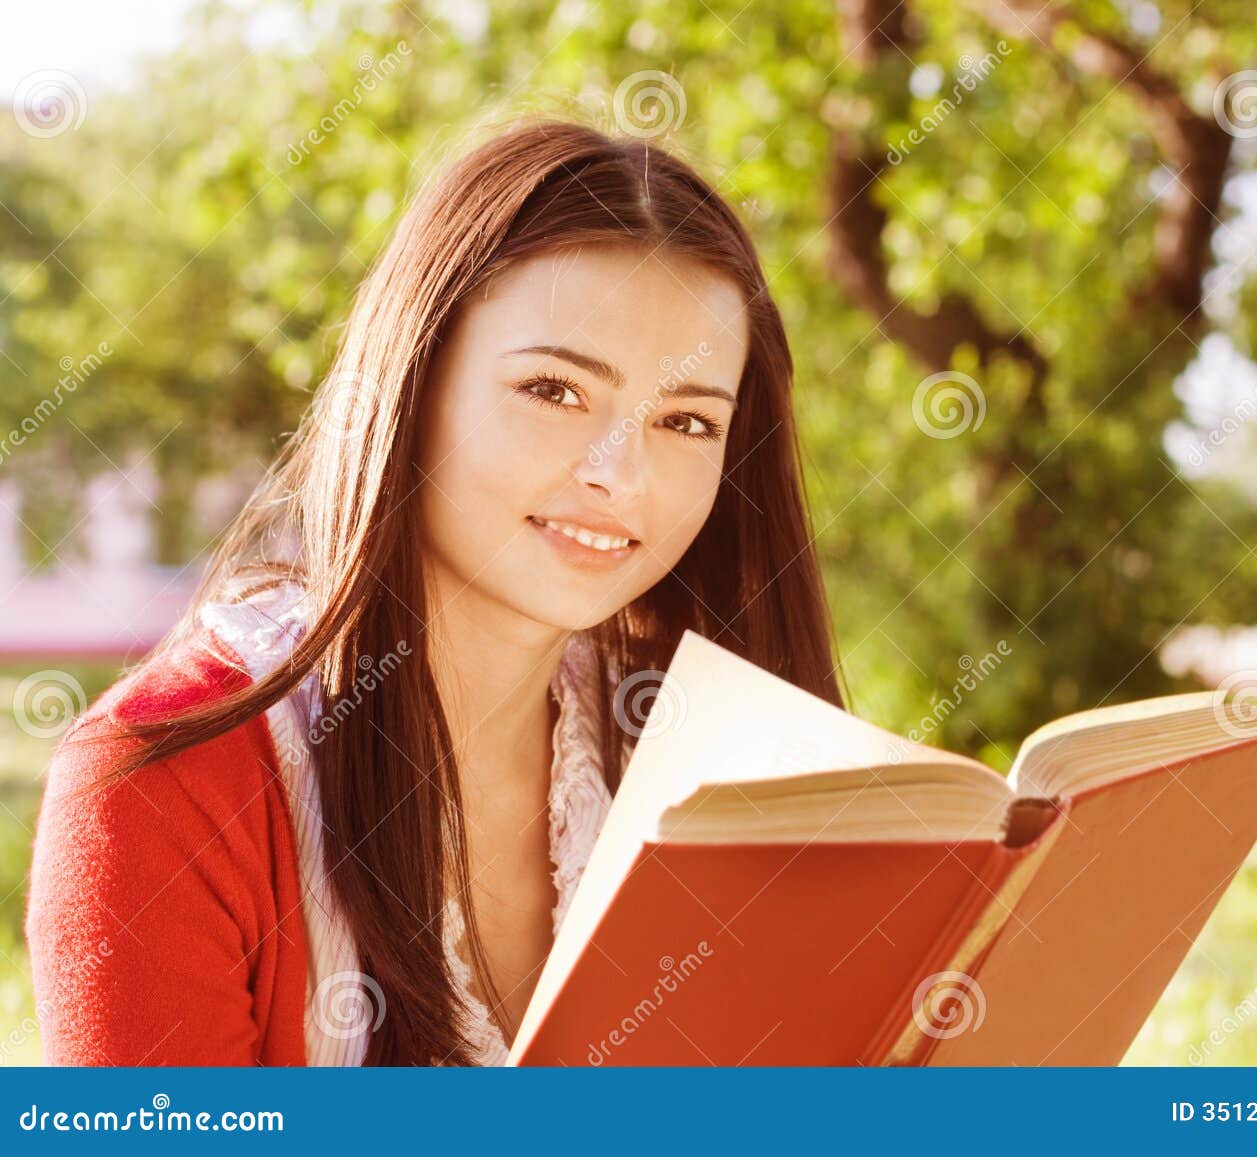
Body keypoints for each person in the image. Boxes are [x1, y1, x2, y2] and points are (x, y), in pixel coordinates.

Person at [25, 117, 844, 1066]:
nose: (622, 475)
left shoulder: (698, 754)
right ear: (415, 380)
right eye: (554, 390)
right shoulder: (166, 783)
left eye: (688, 422)